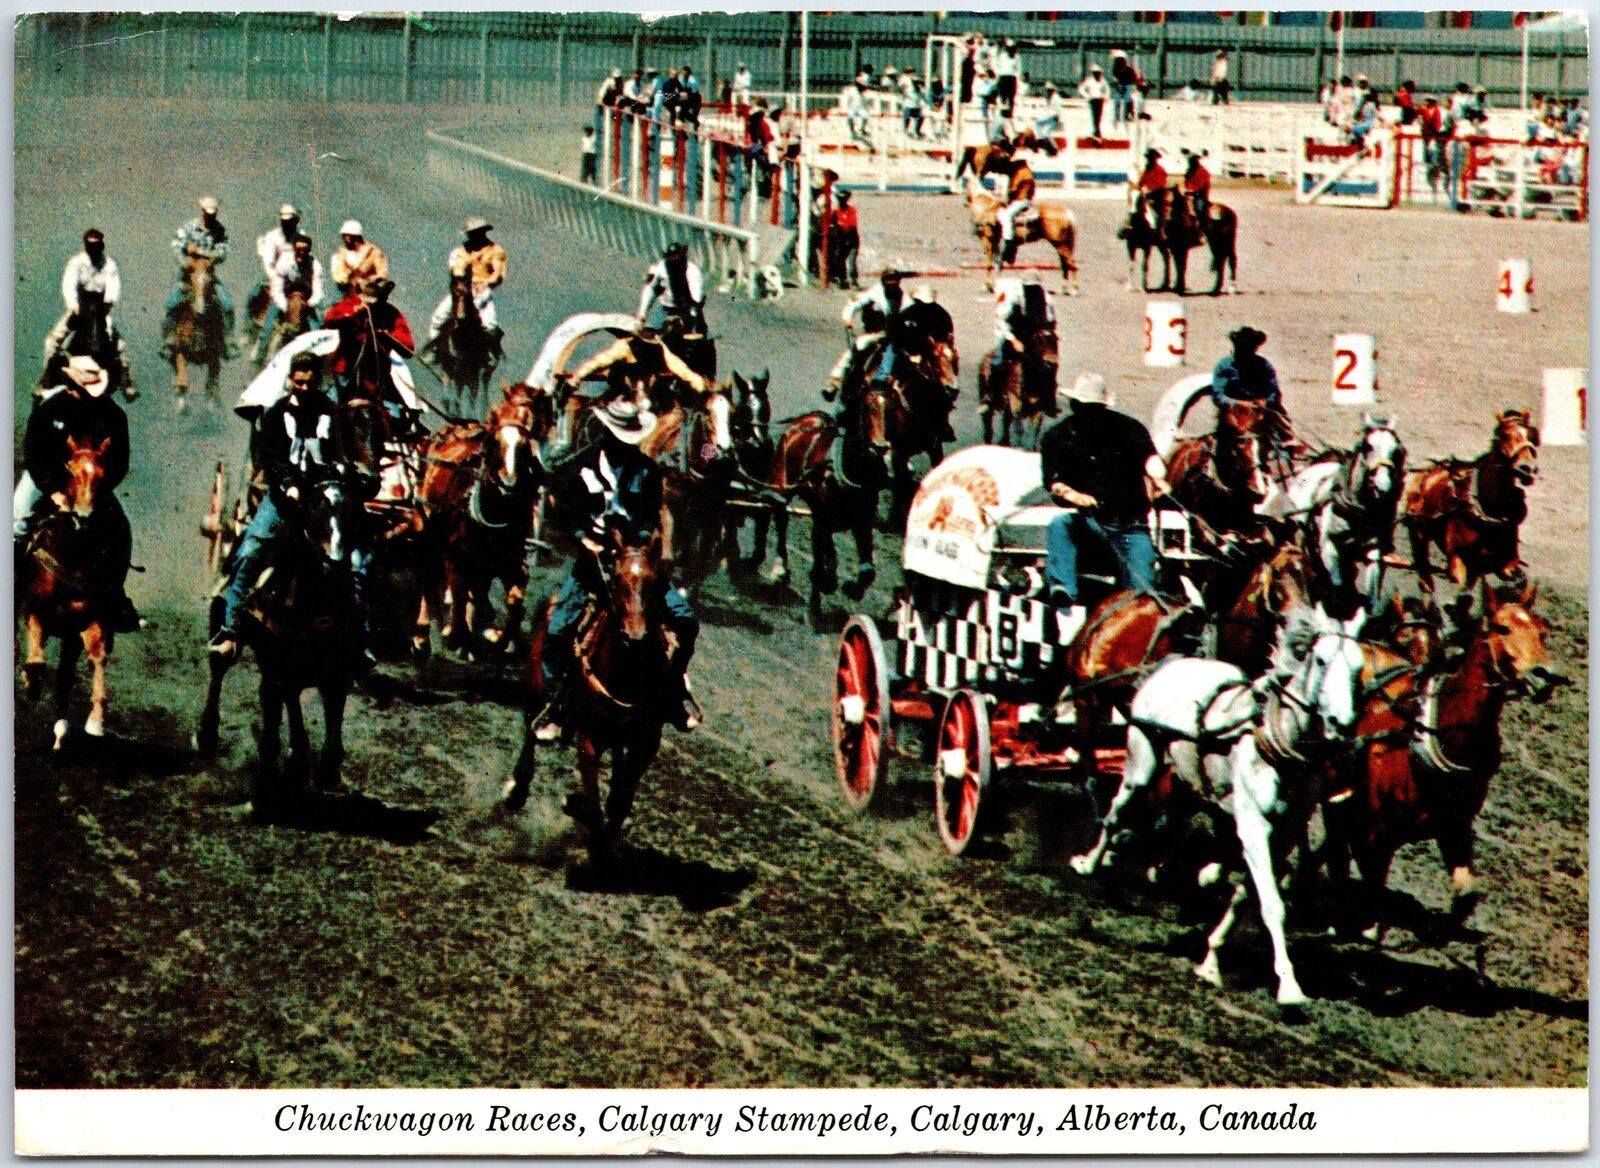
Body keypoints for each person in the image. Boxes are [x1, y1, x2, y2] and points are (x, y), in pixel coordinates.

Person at [534, 393, 701, 741]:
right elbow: (564, 513)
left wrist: (639, 546)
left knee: (685, 619)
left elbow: (650, 517)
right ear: (607, 432)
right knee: (558, 630)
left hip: (635, 563)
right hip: (593, 563)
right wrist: (583, 538)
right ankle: (554, 705)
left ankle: (675, 691)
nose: (626, 444)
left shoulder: (647, 471)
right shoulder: (576, 468)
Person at [209, 352, 374, 672]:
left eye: (310, 382)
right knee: (252, 549)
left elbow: (344, 452)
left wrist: (351, 474)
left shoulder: (333, 413)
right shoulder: (275, 415)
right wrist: (288, 483)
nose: (304, 388)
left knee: (356, 559)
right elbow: (271, 457)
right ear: (290, 380)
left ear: (318, 381)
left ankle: (360, 641)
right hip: (285, 499)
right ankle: (230, 630)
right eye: (299, 382)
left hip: (324, 495)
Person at [18, 355, 141, 632]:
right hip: (45, 480)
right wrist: (53, 491)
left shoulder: (113, 416)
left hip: (92, 485)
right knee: (17, 519)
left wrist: (99, 489)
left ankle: (115, 597)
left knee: (120, 529)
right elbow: (33, 453)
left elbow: (120, 462)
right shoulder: (49, 410)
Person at [1040, 372, 1169, 606]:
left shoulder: (1130, 429)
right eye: (1086, 408)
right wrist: (1074, 496)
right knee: (1061, 525)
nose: (1091, 415)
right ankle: (1063, 588)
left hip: (1131, 528)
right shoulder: (1058, 436)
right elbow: (1054, 483)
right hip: (1091, 524)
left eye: (1095, 409)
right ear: (1075, 406)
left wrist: (1158, 477)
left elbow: (1150, 460)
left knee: (1142, 594)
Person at [43, 227, 134, 394]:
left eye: (96, 245)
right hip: (80, 306)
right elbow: (69, 284)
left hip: (100, 308)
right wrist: (73, 305)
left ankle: (126, 382)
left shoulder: (109, 264)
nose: (93, 249)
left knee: (119, 344)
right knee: (53, 340)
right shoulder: (77, 262)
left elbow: (113, 286)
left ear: (101, 245)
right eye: (90, 245)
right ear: (86, 245)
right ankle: (46, 379)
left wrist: (107, 304)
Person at [323, 277, 418, 431]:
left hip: (377, 376)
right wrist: (353, 314)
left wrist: (387, 336)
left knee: (396, 417)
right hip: (346, 372)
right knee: (330, 414)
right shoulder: (350, 304)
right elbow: (330, 319)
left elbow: (408, 348)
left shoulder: (391, 314)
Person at [1210, 325, 1297, 468]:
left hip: (1260, 409)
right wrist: (1237, 403)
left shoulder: (1264, 365)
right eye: (1241, 347)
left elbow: (1274, 391)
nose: (1244, 351)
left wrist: (1265, 402)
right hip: (1234, 411)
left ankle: (1284, 452)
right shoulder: (1224, 366)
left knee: (1281, 421)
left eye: (1249, 347)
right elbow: (1218, 395)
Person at [163, 195, 237, 358]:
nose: (210, 216)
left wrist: (199, 251)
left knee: (227, 305)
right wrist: (184, 262)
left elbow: (223, 252)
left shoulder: (220, 230)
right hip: (188, 275)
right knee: (171, 304)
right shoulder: (189, 228)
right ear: (202, 211)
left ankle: (229, 340)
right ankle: (168, 339)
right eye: (208, 213)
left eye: (213, 213)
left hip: (208, 275)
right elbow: (176, 246)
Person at [429, 216, 507, 358]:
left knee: (489, 324)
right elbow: (457, 267)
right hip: (464, 288)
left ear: (483, 232)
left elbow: (497, 275)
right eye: (470, 233)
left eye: (475, 232)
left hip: (483, 290)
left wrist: (485, 283)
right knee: (438, 317)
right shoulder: (462, 250)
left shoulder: (495, 251)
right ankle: (435, 350)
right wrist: (460, 275)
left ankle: (490, 354)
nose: (471, 236)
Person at [828, 269, 907, 398]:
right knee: (853, 351)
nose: (892, 283)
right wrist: (848, 321)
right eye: (889, 280)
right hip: (874, 334)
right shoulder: (873, 293)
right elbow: (852, 304)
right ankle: (834, 383)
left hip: (894, 334)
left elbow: (909, 309)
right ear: (883, 281)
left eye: (895, 280)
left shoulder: (901, 294)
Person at [259, 234, 326, 362]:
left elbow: (318, 291)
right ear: (294, 249)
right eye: (298, 250)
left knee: (316, 331)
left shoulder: (315, 265)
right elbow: (277, 289)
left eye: (305, 250)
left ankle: (320, 363)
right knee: (266, 330)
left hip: (305, 303)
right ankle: (259, 357)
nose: (301, 253)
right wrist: (287, 307)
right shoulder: (284, 262)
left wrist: (309, 304)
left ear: (309, 251)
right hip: (284, 300)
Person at [247, 204, 302, 355]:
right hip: (275, 277)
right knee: (254, 294)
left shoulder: (301, 236)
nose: (287, 224)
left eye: (289, 221)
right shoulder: (273, 237)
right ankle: (251, 335)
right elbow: (268, 262)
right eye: (284, 221)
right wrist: (275, 279)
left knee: (311, 310)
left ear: (295, 221)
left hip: (295, 281)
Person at [989, 273, 1055, 385]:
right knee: (999, 361)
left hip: (1037, 335)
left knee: (1049, 365)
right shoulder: (1015, 299)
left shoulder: (1047, 299)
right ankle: (992, 391)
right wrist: (1014, 340)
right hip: (1016, 333)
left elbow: (1050, 320)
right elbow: (1002, 321)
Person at [637, 241, 707, 338]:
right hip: (666, 308)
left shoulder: (693, 272)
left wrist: (690, 320)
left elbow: (696, 300)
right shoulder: (661, 267)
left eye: (675, 259)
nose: (672, 262)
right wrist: (642, 313)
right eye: (670, 259)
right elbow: (650, 288)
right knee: (647, 334)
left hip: (687, 311)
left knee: (686, 337)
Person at [995, 155, 1037, 268]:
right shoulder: (1026, 171)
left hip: (1021, 200)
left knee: (1006, 216)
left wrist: (1006, 200)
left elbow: (1013, 190)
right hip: (1024, 199)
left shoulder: (1020, 173)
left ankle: (1009, 242)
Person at [328, 220, 389, 298]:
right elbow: (339, 277)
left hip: (370, 295)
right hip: (350, 295)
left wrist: (367, 282)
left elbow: (382, 273)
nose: (345, 238)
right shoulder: (341, 255)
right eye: (344, 236)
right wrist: (349, 277)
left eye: (347, 235)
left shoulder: (373, 252)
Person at [828, 188, 861, 290]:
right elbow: (831, 224)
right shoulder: (836, 212)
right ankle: (843, 280)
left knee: (851, 262)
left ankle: (853, 281)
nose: (841, 201)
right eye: (840, 199)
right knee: (840, 261)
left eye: (843, 199)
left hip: (851, 240)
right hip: (841, 241)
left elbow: (851, 226)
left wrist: (840, 226)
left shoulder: (851, 210)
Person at [1077, 64, 1108, 139]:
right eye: (1096, 73)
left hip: (1100, 100)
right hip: (1093, 99)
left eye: (1099, 73)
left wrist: (1105, 97)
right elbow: (1081, 89)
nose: (1098, 74)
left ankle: (1096, 131)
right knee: (1094, 116)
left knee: (1099, 116)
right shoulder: (1089, 80)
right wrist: (1088, 96)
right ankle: (1096, 131)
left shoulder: (1102, 80)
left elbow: (1107, 89)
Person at [1182, 150, 1213, 219]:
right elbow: (1187, 184)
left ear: (1196, 161)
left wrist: (1191, 192)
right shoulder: (1190, 170)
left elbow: (1200, 187)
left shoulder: (1202, 171)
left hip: (1200, 195)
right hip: (1193, 193)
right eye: (1189, 160)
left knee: (1199, 210)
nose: (1189, 162)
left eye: (1191, 160)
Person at [1110, 50, 1136, 126]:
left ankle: (1120, 116)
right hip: (1124, 85)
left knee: (1120, 101)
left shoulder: (1120, 68)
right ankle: (1123, 116)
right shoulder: (1122, 68)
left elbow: (1115, 77)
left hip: (1124, 85)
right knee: (1123, 101)